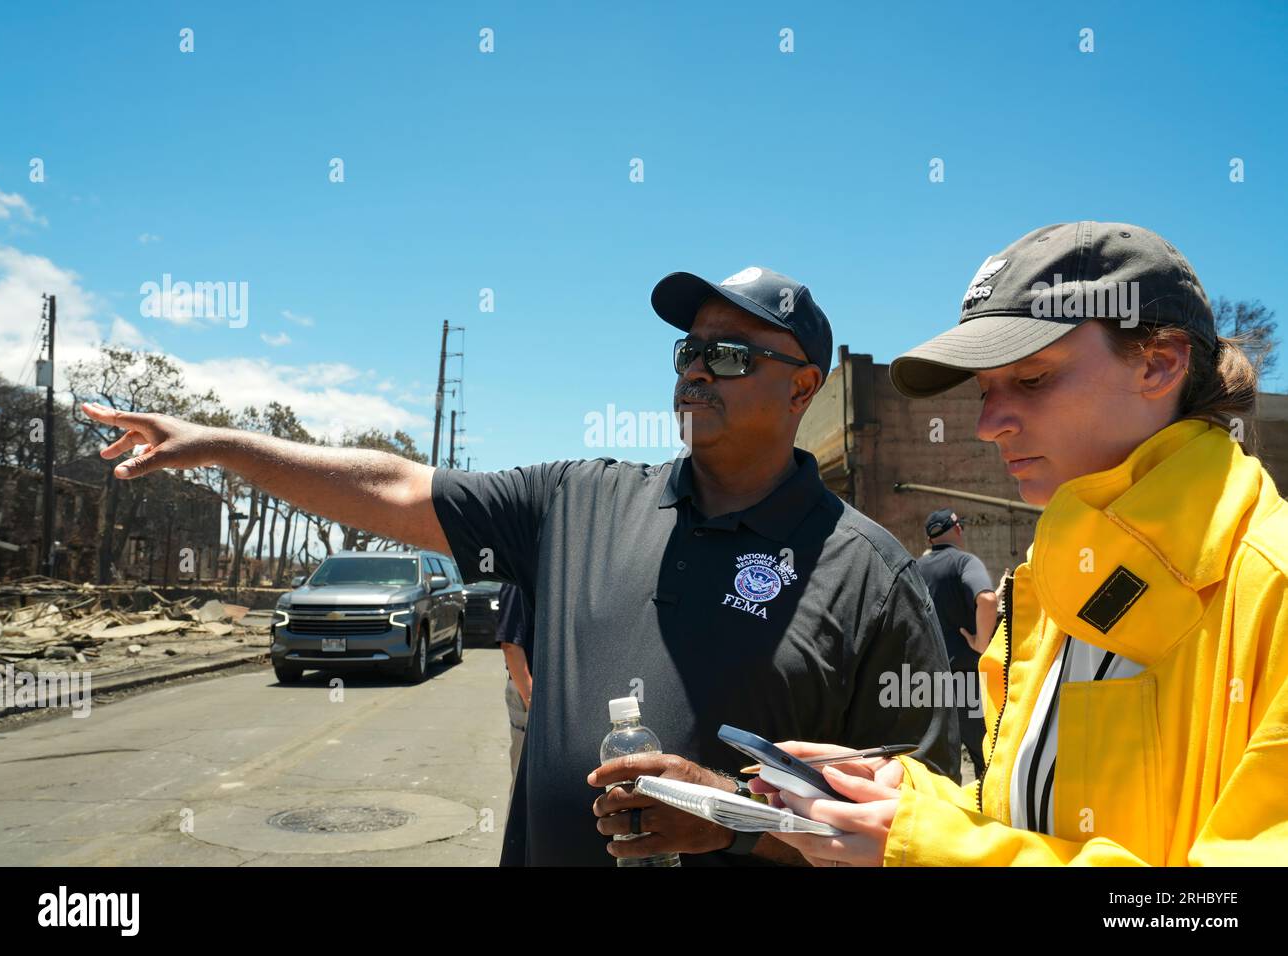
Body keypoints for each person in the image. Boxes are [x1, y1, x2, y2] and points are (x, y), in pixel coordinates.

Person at [81, 263, 959, 867]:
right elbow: (394, 485)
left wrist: (728, 815)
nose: (696, 371)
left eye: (730, 356)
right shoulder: (575, 502)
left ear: (802, 388)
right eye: (687, 352)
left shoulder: (869, 576)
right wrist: (223, 445)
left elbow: (910, 829)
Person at [754, 221, 1288, 866]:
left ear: (1159, 363)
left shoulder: (1271, 586)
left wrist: (935, 853)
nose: (987, 424)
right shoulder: (1052, 578)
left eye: (1031, 380)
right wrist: (904, 800)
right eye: (984, 389)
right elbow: (1025, 817)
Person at [914, 508, 997, 776]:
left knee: (934, 769)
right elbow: (986, 599)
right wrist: (981, 643)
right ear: (958, 529)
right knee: (986, 762)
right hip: (966, 680)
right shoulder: (964, 562)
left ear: (929, 539)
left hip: (923, 683)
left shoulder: (913, 568)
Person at [497, 583, 533, 802]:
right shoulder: (516, 582)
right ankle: (518, 837)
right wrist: (532, 701)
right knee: (525, 781)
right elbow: (510, 646)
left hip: (540, 694)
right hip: (528, 692)